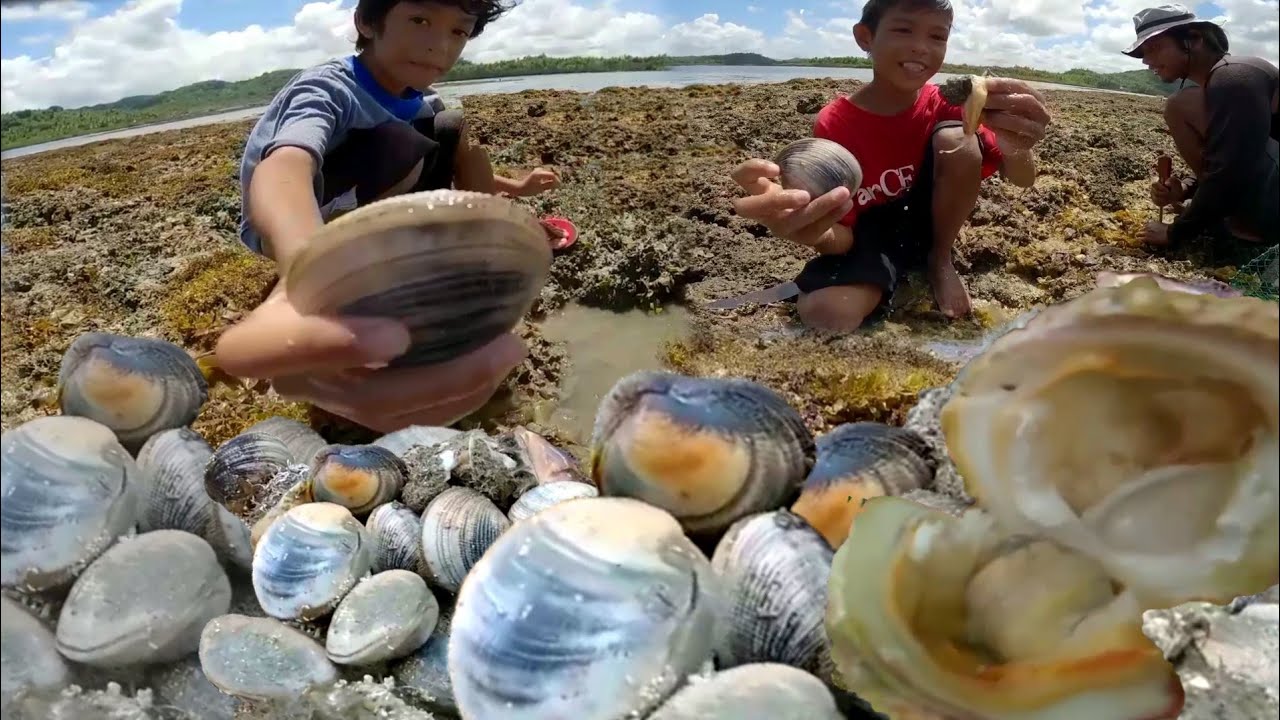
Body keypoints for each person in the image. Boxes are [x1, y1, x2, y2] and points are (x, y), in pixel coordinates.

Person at [215, 0, 539, 433]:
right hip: (295, 220)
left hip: (370, 204)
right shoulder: (327, 89)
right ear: (367, 23)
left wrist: (514, 189)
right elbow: (284, 168)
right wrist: (311, 267)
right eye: (420, 20)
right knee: (397, 142)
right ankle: (332, 279)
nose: (438, 45)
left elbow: (447, 149)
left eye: (458, 32)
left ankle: (482, 254)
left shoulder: (422, 99)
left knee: (451, 126)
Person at [730, 0, 1049, 332]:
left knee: (960, 140)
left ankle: (940, 260)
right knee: (826, 313)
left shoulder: (947, 104)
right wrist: (811, 230)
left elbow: (1023, 179)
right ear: (865, 37)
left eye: (937, 36)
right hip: (875, 236)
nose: (921, 48)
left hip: (936, 221)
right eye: (903, 29)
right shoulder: (836, 123)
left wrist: (1018, 146)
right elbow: (843, 236)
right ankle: (896, 277)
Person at [1123, 4, 1279, 248]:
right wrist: (1184, 189)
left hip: (1272, 210)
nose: (1146, 60)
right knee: (1179, 105)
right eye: (1143, 52)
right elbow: (1229, 152)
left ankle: (1248, 227)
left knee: (1179, 105)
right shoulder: (1217, 85)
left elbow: (1233, 168)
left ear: (1193, 39)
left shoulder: (1234, 77)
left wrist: (1176, 233)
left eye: (1153, 48)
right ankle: (1235, 218)